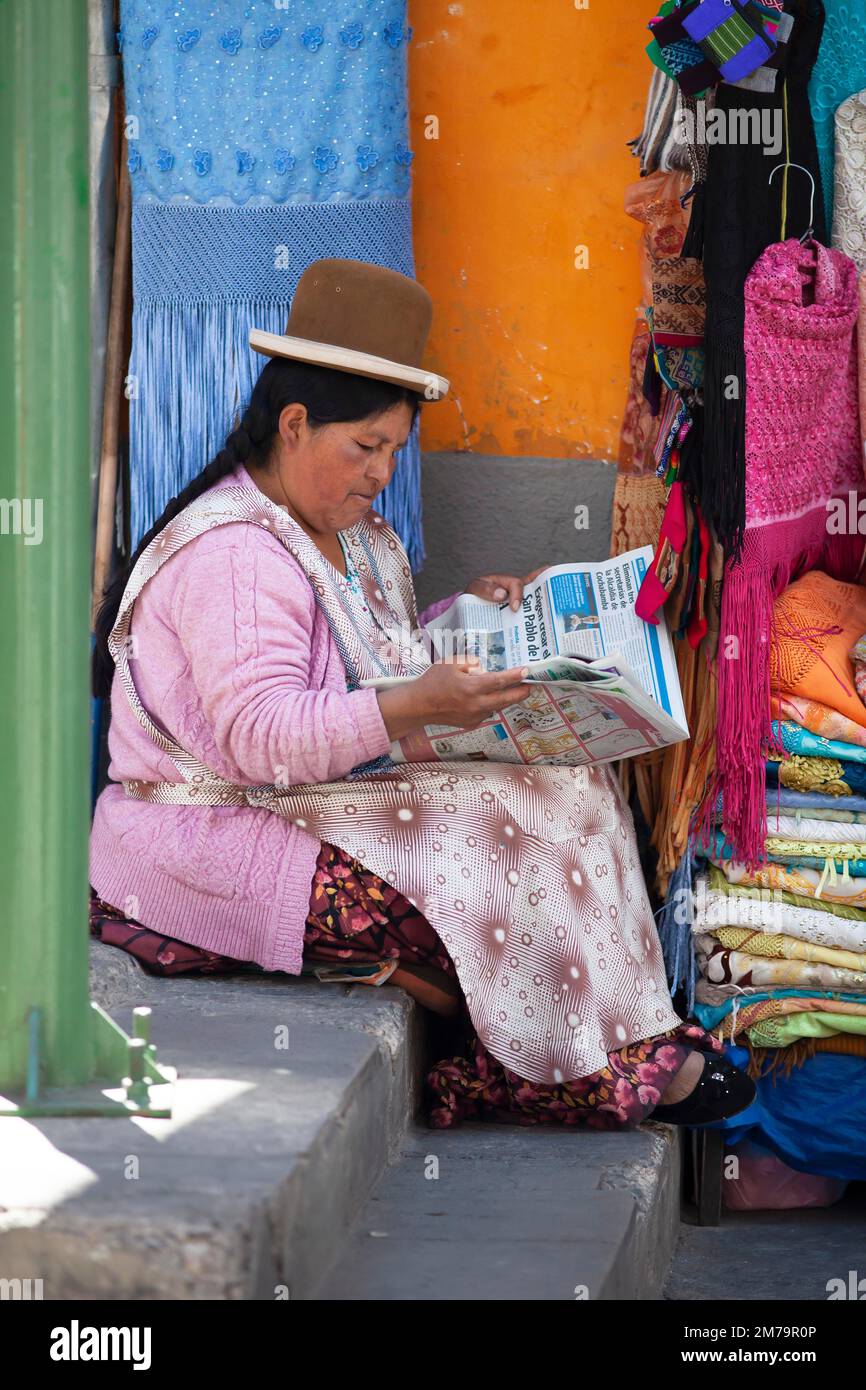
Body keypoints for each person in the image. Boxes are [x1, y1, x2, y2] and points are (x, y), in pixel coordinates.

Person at [91, 258, 754, 1129]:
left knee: (568, 782)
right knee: (492, 839)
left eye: (393, 450)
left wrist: (473, 615)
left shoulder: (350, 533)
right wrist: (416, 707)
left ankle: (628, 1031)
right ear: (294, 425)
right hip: (212, 824)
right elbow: (259, 737)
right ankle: (559, 1070)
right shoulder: (236, 556)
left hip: (313, 796)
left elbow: (373, 655)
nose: (380, 472)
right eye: (365, 447)